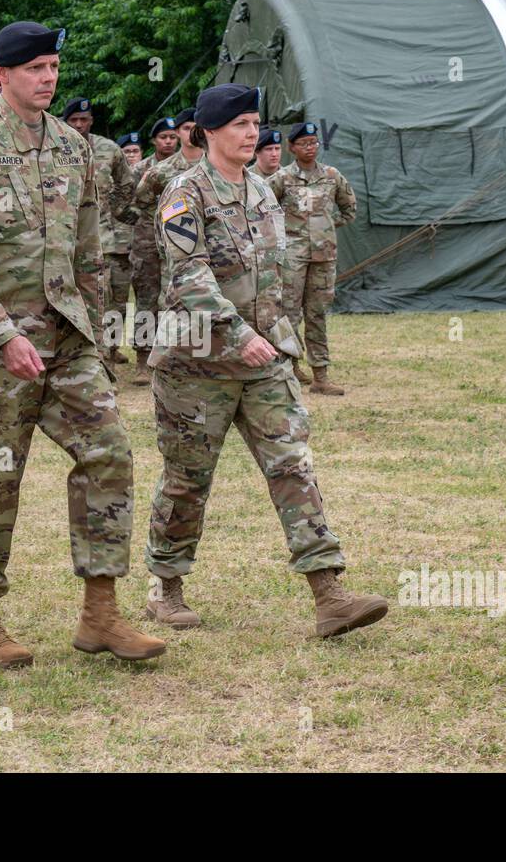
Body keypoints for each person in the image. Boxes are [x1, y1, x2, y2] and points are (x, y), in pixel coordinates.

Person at [0, 20, 165, 668]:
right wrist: (0, 331)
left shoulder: (74, 148)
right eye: (35, 68)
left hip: (66, 341)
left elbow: (90, 249)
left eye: (55, 67)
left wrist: (92, 327)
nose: (49, 78)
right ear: (0, 75)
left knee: (109, 451)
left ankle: (101, 612)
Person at [143, 83, 388, 638]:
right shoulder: (185, 194)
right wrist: (235, 330)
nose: (252, 134)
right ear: (208, 133)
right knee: (187, 478)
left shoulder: (261, 189)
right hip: (196, 360)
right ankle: (166, 585)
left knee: (291, 463)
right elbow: (189, 276)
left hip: (263, 358)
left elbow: (274, 276)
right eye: (240, 126)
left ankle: (330, 594)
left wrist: (278, 339)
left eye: (255, 124)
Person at [266, 122, 358, 395]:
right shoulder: (282, 178)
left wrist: (325, 226)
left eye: (314, 142)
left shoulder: (331, 175)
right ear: (291, 148)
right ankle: (288, 369)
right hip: (292, 257)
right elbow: (262, 209)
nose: (310, 147)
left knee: (317, 314)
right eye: (304, 143)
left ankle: (321, 376)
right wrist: (287, 233)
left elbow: (349, 208)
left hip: (324, 256)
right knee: (288, 314)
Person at [120, 107, 199, 386]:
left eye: (195, 127)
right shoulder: (157, 171)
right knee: (147, 298)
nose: (190, 133)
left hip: (189, 246)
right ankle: (143, 359)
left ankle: (182, 355)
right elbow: (138, 202)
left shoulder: (209, 167)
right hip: (150, 243)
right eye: (185, 128)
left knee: (184, 299)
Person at [62, 96, 135, 367]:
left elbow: (126, 184)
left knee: (113, 298)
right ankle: (89, 355)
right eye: (73, 120)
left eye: (84, 120)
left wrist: (112, 210)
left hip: (105, 237)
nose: (79, 125)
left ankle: (109, 350)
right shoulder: (55, 148)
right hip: (68, 236)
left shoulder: (109, 149)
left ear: (91, 121)